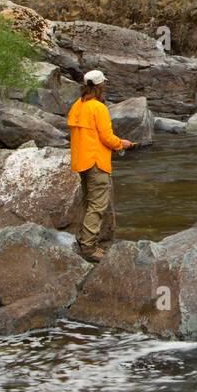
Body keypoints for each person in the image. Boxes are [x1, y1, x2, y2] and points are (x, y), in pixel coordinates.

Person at [67, 70, 134, 262]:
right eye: (104, 84)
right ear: (99, 86)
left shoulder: (77, 106)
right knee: (97, 205)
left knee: (88, 202)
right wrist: (122, 143)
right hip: (97, 162)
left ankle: (82, 240)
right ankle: (88, 247)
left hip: (81, 161)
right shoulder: (99, 108)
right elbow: (107, 138)